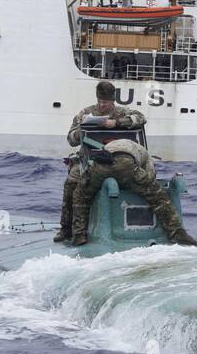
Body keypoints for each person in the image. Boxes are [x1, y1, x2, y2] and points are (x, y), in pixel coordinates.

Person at [54, 80, 145, 242]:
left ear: (112, 101)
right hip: (88, 159)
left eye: (106, 102)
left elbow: (140, 118)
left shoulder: (121, 112)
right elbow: (71, 139)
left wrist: (116, 123)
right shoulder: (86, 113)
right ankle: (66, 228)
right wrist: (80, 131)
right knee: (71, 183)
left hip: (118, 160)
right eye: (100, 102)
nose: (102, 105)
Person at [70, 136, 197, 247]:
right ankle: (176, 233)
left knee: (81, 195)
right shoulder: (143, 152)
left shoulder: (109, 146)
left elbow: (102, 167)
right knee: (158, 196)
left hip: (101, 164)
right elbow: (150, 176)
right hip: (125, 163)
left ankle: (79, 234)